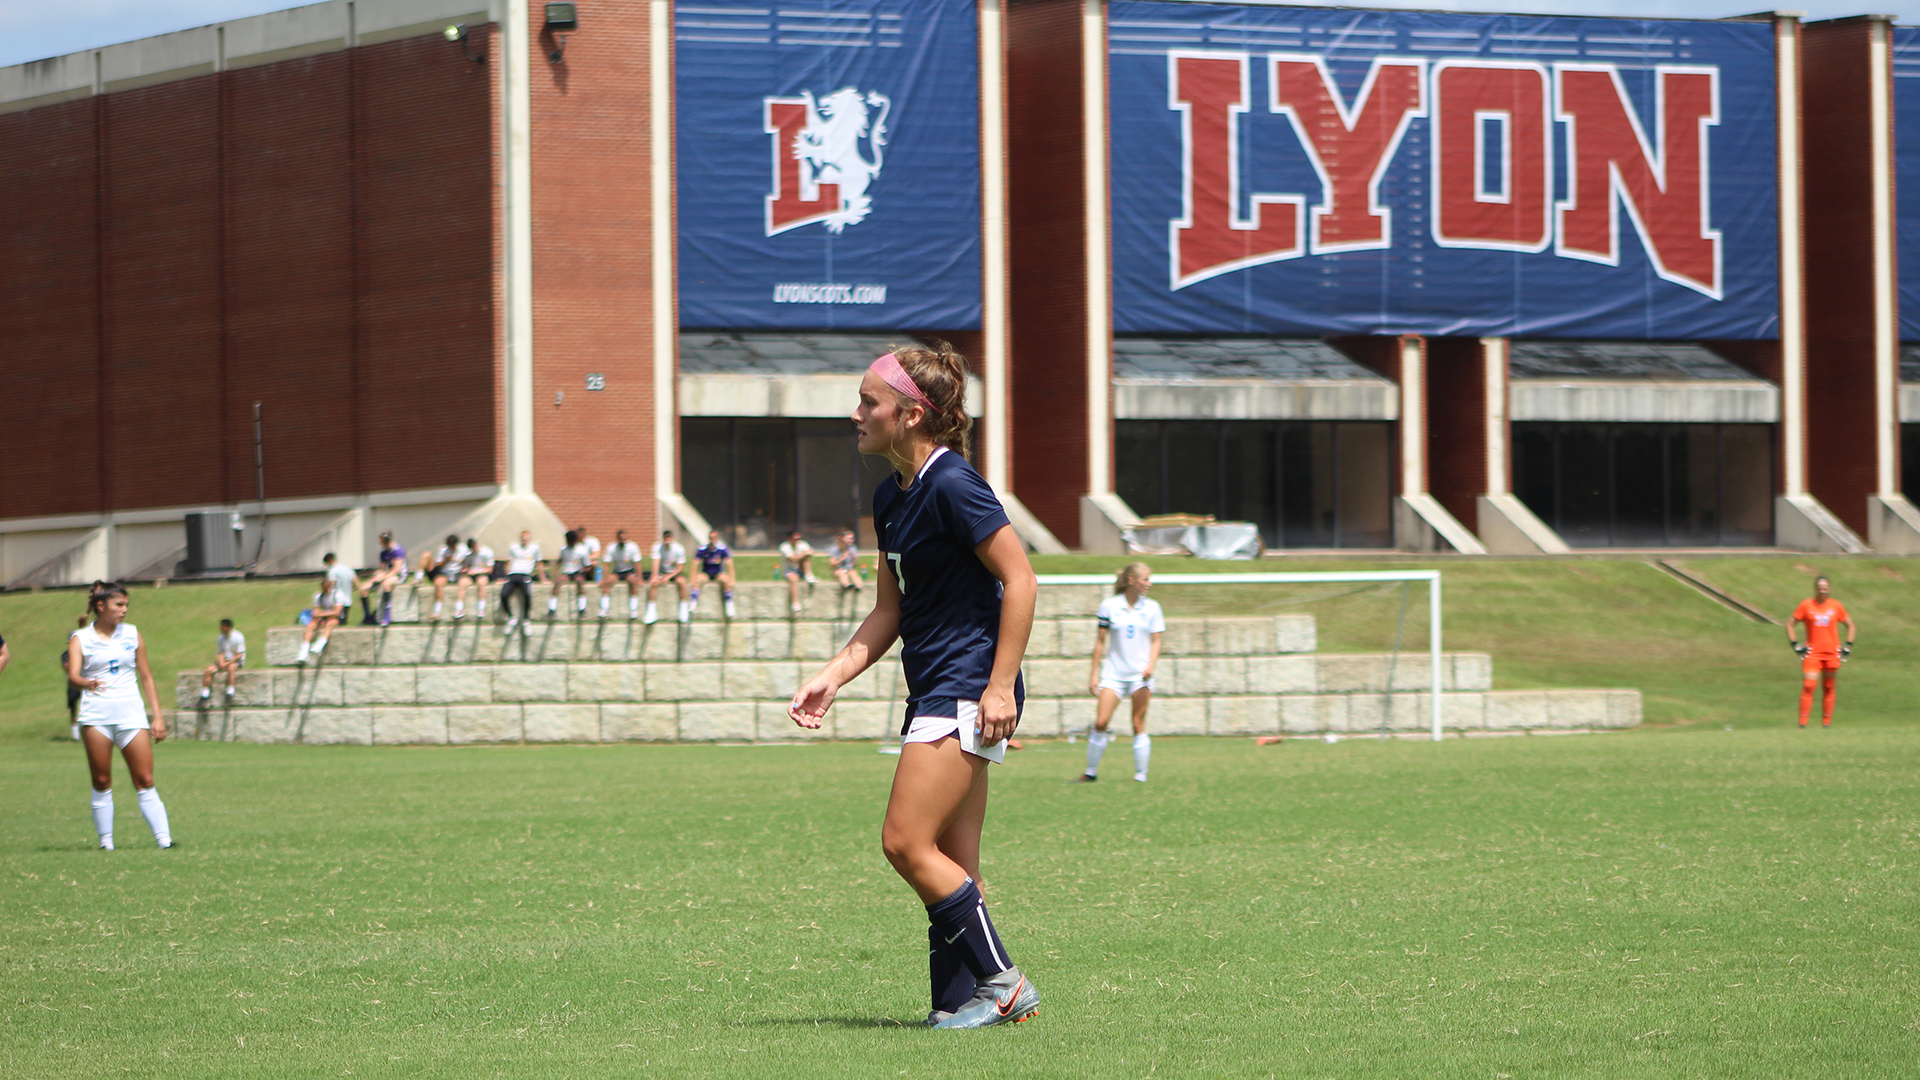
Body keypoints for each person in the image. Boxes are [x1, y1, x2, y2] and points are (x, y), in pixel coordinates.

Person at [788, 343, 1039, 1029]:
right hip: (937, 687)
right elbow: (889, 610)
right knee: (954, 861)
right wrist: (831, 677)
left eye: (869, 402)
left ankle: (1004, 983)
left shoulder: (954, 484)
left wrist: (1000, 686)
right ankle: (957, 1005)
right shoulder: (890, 495)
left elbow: (1021, 579)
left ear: (911, 414)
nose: (856, 413)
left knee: (903, 842)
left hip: (965, 689)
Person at [68, 582, 173, 851]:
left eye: (126, 605)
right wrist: (86, 682)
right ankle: (107, 844)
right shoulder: (80, 638)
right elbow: (73, 676)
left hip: (131, 716)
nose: (124, 610)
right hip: (96, 717)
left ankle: (165, 842)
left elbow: (147, 677)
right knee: (102, 781)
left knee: (145, 779)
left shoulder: (133, 634)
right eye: (119, 605)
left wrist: (157, 716)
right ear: (101, 607)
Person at [1078, 563, 1164, 783]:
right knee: (1101, 722)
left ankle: (1140, 775)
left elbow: (1156, 641)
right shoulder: (1110, 606)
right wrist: (1094, 675)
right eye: (1145, 579)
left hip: (1140, 677)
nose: (1149, 583)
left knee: (1138, 724)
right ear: (1132, 581)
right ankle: (1090, 772)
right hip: (1113, 676)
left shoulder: (1152, 608)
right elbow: (1099, 642)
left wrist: (1149, 667)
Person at [1789, 575, 1855, 728]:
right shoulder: (1806, 605)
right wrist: (1796, 645)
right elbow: (1790, 625)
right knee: (1809, 685)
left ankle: (1826, 723)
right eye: (1819, 588)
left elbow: (1851, 626)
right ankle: (1802, 723)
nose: (1822, 591)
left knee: (1829, 686)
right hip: (1813, 653)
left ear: (1829, 589)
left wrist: (1848, 646)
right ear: (1815, 589)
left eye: (1825, 588)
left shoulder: (1836, 606)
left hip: (1831, 653)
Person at [296, 557, 350, 664]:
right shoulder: (318, 596)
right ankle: (304, 650)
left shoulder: (338, 595)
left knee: (331, 622)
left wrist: (323, 613)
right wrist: (324, 614)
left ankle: (320, 644)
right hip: (325, 617)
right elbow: (315, 613)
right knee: (311, 625)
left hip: (336, 619)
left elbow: (337, 612)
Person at [357, 531, 408, 626]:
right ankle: (367, 617)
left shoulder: (398, 550)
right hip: (386, 574)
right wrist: (375, 577)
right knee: (364, 589)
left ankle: (386, 616)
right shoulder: (383, 553)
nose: (380, 544)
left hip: (398, 575)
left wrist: (383, 577)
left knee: (386, 584)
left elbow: (396, 569)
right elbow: (382, 569)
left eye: (381, 542)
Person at [502, 530, 545, 636]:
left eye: (526, 538)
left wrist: (543, 578)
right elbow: (509, 562)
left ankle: (526, 620)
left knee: (527, 594)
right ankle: (511, 618)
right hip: (513, 574)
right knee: (504, 594)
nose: (524, 540)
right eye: (523, 538)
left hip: (525, 575)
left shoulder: (534, 548)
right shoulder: (514, 547)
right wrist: (506, 576)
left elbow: (539, 564)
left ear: (529, 539)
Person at [644, 528, 691, 625]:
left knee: (681, 582)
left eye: (669, 538)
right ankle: (651, 611)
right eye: (665, 538)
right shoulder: (657, 547)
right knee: (653, 583)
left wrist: (669, 577)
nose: (667, 540)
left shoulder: (679, 548)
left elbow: (679, 568)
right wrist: (654, 576)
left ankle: (683, 610)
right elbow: (656, 563)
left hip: (674, 573)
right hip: (663, 572)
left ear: (672, 538)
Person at [197, 618, 247, 705]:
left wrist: (227, 663)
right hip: (225, 661)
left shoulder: (238, 637)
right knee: (208, 670)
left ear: (228, 627)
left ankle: (230, 691)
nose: (222, 629)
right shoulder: (220, 639)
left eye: (224, 627)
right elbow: (220, 653)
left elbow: (239, 655)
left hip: (236, 661)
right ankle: (205, 693)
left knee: (231, 668)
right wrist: (221, 662)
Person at [690, 530, 737, 619]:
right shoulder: (703, 548)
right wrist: (692, 578)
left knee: (725, 581)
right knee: (698, 580)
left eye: (714, 538)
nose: (712, 540)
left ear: (717, 539)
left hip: (718, 572)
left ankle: (729, 605)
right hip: (706, 572)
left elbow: (729, 563)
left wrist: (732, 579)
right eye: (710, 538)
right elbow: (695, 563)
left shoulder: (722, 548)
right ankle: (693, 603)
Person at [599, 528, 644, 620]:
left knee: (633, 582)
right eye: (621, 539)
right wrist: (603, 579)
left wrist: (640, 578)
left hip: (628, 571)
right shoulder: (611, 547)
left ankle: (633, 610)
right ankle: (604, 608)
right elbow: (606, 564)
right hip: (617, 571)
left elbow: (637, 564)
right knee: (608, 582)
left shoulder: (632, 547)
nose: (623, 541)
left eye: (625, 539)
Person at [424, 534, 468, 620]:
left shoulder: (463, 549)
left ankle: (459, 609)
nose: (451, 548)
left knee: (463, 584)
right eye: (449, 546)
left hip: (459, 573)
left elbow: (467, 561)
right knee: (439, 583)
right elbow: (438, 565)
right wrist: (446, 560)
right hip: (445, 572)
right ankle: (437, 610)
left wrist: (465, 568)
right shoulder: (443, 549)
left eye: (453, 546)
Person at [453, 536, 494, 620]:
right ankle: (459, 608)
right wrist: (465, 570)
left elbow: (489, 569)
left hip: (482, 573)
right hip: (470, 574)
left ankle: (481, 608)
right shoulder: (468, 554)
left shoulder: (487, 552)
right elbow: (465, 565)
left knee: (481, 583)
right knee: (462, 583)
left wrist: (476, 571)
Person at [555, 530, 593, 619]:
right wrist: (556, 571)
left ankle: (582, 609)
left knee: (580, 582)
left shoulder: (582, 550)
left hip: (577, 572)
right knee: (557, 582)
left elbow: (588, 565)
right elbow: (559, 561)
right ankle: (552, 608)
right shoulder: (564, 550)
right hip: (567, 573)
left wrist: (583, 572)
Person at [778, 530, 815, 615]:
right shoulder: (784, 547)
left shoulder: (803, 544)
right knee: (794, 579)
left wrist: (805, 554)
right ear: (789, 539)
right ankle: (795, 603)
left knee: (805, 560)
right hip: (789, 571)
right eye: (795, 539)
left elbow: (811, 553)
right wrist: (804, 553)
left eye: (799, 538)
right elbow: (793, 559)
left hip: (801, 569)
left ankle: (809, 576)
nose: (798, 541)